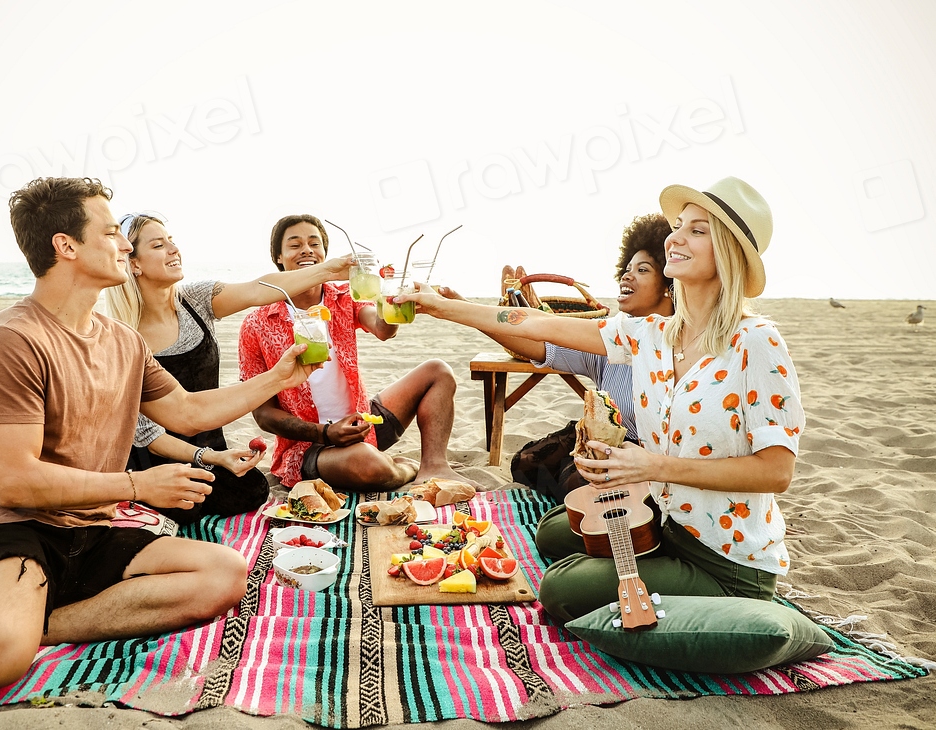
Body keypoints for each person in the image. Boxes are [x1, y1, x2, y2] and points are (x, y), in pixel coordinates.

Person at [0, 177, 318, 693]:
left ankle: (33, 625)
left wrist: (279, 377)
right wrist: (137, 488)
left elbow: (187, 410)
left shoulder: (123, 342)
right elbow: (15, 483)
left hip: (91, 522)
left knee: (224, 575)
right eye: (112, 232)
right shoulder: (10, 341)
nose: (126, 244)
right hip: (14, 524)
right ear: (66, 246)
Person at [398, 177, 804, 624]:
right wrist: (444, 307)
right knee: (556, 534)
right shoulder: (649, 334)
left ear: (726, 251)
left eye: (698, 230)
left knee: (560, 590)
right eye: (679, 224)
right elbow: (536, 325)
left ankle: (724, 603)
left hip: (727, 560)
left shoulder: (756, 341)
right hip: (668, 528)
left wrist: (651, 466)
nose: (676, 237)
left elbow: (777, 472)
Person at [105, 211, 354, 521]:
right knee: (184, 508)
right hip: (156, 458)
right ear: (134, 262)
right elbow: (147, 434)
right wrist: (206, 457)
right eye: (158, 245)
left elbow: (260, 288)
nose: (173, 249)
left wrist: (329, 270)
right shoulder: (121, 334)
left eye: (171, 241)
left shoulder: (195, 299)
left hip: (212, 448)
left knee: (252, 490)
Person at [438, 213, 674, 500]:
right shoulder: (608, 341)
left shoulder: (678, 344)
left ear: (668, 285)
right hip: (600, 437)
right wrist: (467, 311)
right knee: (525, 464)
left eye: (643, 270)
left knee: (575, 484)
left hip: (645, 456)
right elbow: (537, 345)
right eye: (626, 268)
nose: (627, 275)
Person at [238, 214, 479, 492]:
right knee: (368, 464)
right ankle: (408, 467)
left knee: (438, 371)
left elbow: (382, 329)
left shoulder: (344, 296)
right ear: (278, 257)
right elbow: (263, 415)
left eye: (314, 243)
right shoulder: (256, 324)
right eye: (295, 245)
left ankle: (435, 465)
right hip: (311, 445)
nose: (306, 249)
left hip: (364, 424)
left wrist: (392, 297)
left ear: (324, 255)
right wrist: (326, 432)